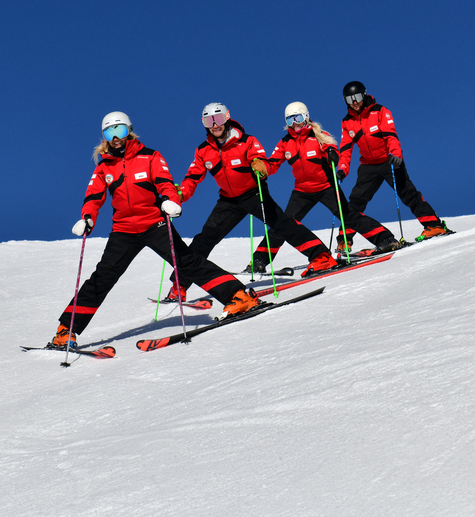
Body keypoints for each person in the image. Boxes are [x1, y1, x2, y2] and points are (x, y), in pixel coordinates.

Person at [50, 111, 259, 348]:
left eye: (119, 130)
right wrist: (87, 218)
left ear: (129, 130)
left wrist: (171, 200)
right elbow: (94, 196)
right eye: (109, 132)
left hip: (154, 223)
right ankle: (66, 329)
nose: (115, 137)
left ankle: (239, 296)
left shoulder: (150, 156)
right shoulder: (104, 167)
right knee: (103, 277)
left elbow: (164, 182)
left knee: (187, 261)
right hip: (124, 230)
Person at [169, 102, 340, 300]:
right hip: (228, 201)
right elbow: (193, 177)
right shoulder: (203, 151)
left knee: (282, 225)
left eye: (218, 119)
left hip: (253, 194)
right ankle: (179, 285)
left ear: (227, 118)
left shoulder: (246, 141)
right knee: (205, 239)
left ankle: (321, 257)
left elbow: (258, 157)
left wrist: (260, 166)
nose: (215, 125)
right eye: (209, 121)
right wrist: (179, 195)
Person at [242, 102, 402, 272]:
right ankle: (259, 261)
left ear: (306, 117)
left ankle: (386, 240)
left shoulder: (318, 135)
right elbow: (273, 164)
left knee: (348, 216)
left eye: (298, 118)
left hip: (326, 186)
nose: (295, 123)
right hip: (302, 191)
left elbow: (332, 149)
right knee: (283, 224)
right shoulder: (285, 143)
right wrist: (262, 169)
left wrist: (333, 156)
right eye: (290, 120)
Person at [336, 81, 451, 248]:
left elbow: (391, 135)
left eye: (358, 97)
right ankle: (344, 241)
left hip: (388, 160)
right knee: (355, 203)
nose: (355, 102)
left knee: (408, 193)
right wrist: (342, 170)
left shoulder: (380, 111)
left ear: (365, 94)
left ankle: (434, 226)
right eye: (349, 99)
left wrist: (396, 155)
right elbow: (345, 149)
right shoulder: (347, 122)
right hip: (368, 165)